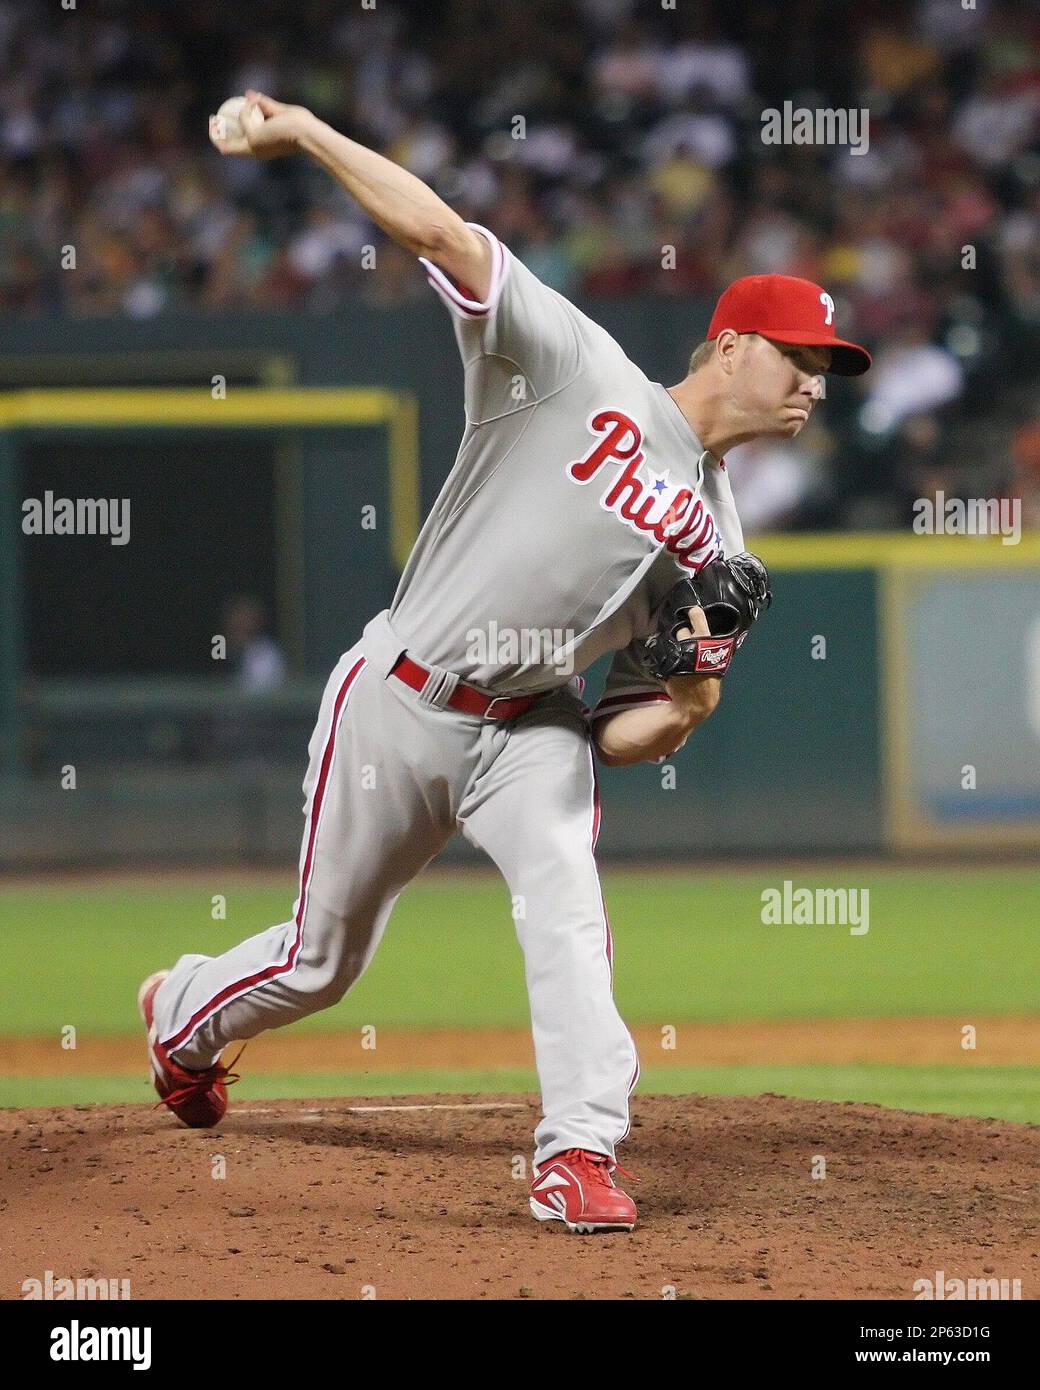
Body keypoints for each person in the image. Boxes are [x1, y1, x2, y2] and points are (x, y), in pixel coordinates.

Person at [139, 91, 870, 1234]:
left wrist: (694, 683)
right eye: (799, 356)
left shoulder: (724, 547)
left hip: (533, 726)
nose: (814, 383)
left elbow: (632, 736)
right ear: (728, 346)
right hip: (401, 693)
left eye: (827, 366)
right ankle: (183, 1017)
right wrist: (310, 134)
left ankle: (577, 1150)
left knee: (567, 900)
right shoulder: (578, 366)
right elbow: (441, 235)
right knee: (322, 962)